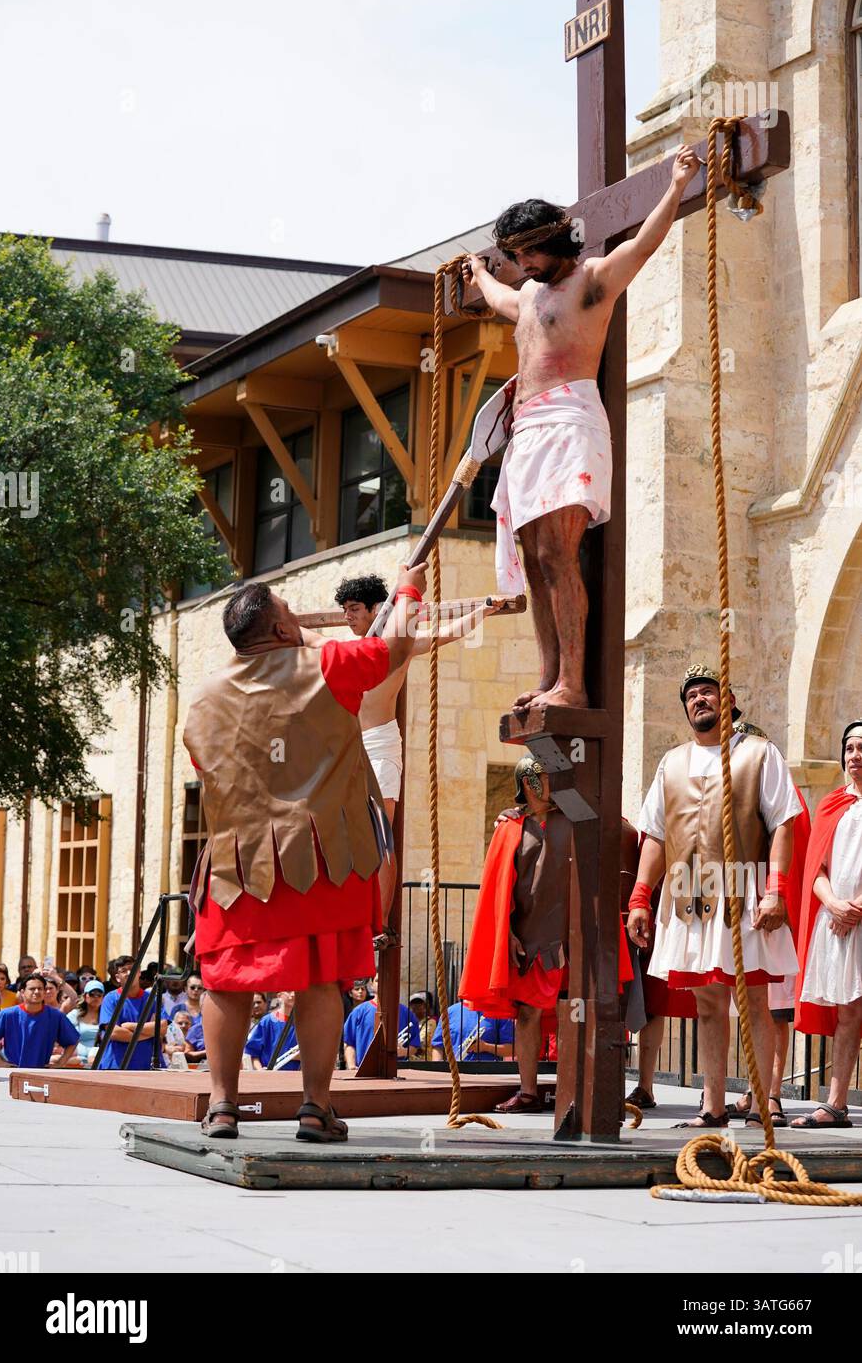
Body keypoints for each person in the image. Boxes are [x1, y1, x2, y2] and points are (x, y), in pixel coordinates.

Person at [183, 562, 428, 1140]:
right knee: (321, 979)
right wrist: (409, 587)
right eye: (290, 613)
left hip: (237, 860)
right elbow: (393, 649)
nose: (299, 620)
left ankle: (222, 1106)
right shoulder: (327, 662)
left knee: (224, 980)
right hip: (323, 855)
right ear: (278, 626)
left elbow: (206, 768)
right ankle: (316, 1107)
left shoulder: (203, 698)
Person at [462, 147, 700, 711]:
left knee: (558, 555)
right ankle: (549, 677)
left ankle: (574, 681)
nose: (522, 265)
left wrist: (677, 184)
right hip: (527, 432)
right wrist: (476, 272)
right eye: (515, 256)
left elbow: (645, 244)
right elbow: (498, 297)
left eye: (527, 253)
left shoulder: (592, 280)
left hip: (571, 419)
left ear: (552, 242)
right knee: (533, 555)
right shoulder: (527, 295)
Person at [627, 664, 802, 1130]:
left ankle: (763, 1101)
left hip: (744, 885)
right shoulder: (672, 762)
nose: (700, 700)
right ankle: (714, 1105)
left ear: (728, 703)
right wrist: (642, 895)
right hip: (689, 889)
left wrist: (777, 891)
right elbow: (657, 836)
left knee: (753, 999)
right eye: (692, 695)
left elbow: (783, 822)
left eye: (708, 692)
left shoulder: (760, 754)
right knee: (707, 1002)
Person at [460, 754, 635, 1111]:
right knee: (528, 1014)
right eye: (546, 775)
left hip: (575, 936)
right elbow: (497, 890)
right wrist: (506, 933)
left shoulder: (576, 820)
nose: (554, 781)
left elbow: (620, 830)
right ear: (529, 781)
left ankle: (582, 1091)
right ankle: (528, 1092)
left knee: (580, 1010)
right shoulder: (509, 828)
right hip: (529, 937)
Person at [336, 572, 497, 929]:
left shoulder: (398, 645)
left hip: (379, 744)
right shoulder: (345, 651)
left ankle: (377, 925)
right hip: (348, 749)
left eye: (354, 609)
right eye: (344, 609)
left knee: (380, 836)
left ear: (375, 610)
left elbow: (446, 634)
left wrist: (484, 611)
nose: (347, 616)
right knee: (344, 838)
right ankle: (350, 918)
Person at [791, 721, 862, 1128]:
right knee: (847, 1010)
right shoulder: (832, 803)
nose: (855, 755)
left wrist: (855, 907)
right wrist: (835, 904)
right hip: (837, 922)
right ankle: (836, 1103)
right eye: (850, 748)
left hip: (854, 919)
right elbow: (815, 869)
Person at [98, 959, 168, 1071]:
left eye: (132, 969)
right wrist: (149, 1033)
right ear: (117, 977)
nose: (129, 973)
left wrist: (130, 1026)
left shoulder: (152, 999)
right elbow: (113, 1032)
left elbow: (162, 1028)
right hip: (116, 1066)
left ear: (139, 973)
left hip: (148, 1067)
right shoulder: (110, 999)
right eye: (124, 970)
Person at [0, 973, 78, 1068]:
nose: (36, 992)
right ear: (22, 992)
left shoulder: (55, 1016)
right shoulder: (7, 1015)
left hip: (41, 1075)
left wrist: (60, 1063)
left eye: (40, 989)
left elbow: (73, 1041)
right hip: (13, 1072)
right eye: (32, 989)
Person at [343, 988, 420, 1067]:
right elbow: (349, 1043)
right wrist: (351, 1065)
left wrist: (403, 1051)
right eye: (377, 980)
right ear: (372, 984)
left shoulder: (406, 1013)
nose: (382, 982)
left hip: (398, 1070)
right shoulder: (359, 1011)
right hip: (364, 1070)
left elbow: (414, 1045)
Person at [430, 1001, 514, 1062]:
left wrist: (486, 1047)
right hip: (454, 1074)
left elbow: (512, 1049)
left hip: (488, 1076)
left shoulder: (500, 1013)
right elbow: (438, 1046)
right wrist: (439, 1069)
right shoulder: (450, 1012)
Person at [245, 992, 300, 1070]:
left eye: (296, 990)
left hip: (297, 1078)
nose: (293, 994)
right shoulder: (267, 1021)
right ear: (279, 995)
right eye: (288, 991)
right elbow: (253, 1053)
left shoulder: (305, 1023)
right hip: (270, 1077)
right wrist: (260, 1070)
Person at [65, 981, 106, 1068]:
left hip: (99, 1058)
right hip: (77, 1058)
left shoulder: (106, 1015)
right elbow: (61, 1030)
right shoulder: (75, 1014)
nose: (96, 997)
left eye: (99, 994)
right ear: (85, 996)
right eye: (92, 994)